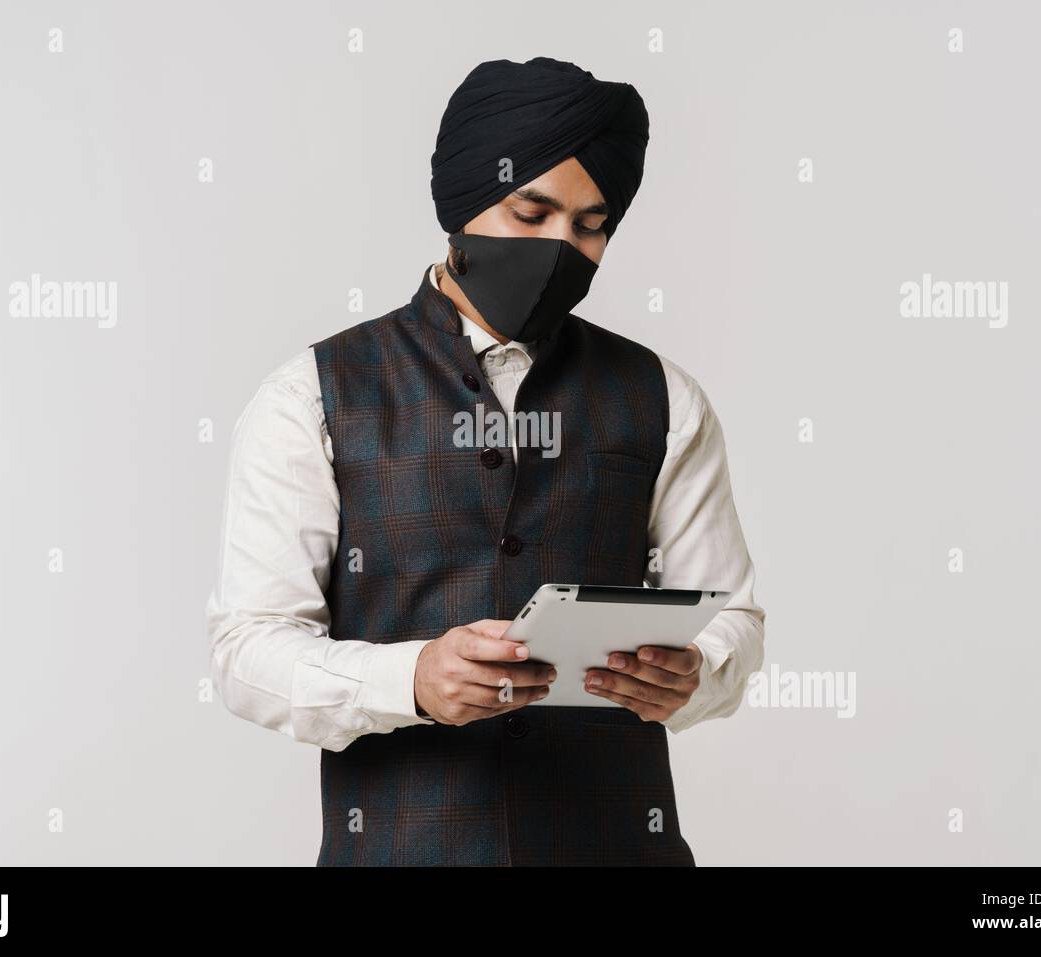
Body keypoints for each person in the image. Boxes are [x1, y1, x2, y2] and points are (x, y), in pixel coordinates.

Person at [206, 56, 765, 866]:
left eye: (589, 225)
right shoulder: (311, 396)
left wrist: (696, 674)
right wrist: (413, 681)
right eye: (529, 212)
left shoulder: (664, 397)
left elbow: (734, 624)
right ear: (465, 205)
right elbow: (246, 650)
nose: (559, 246)